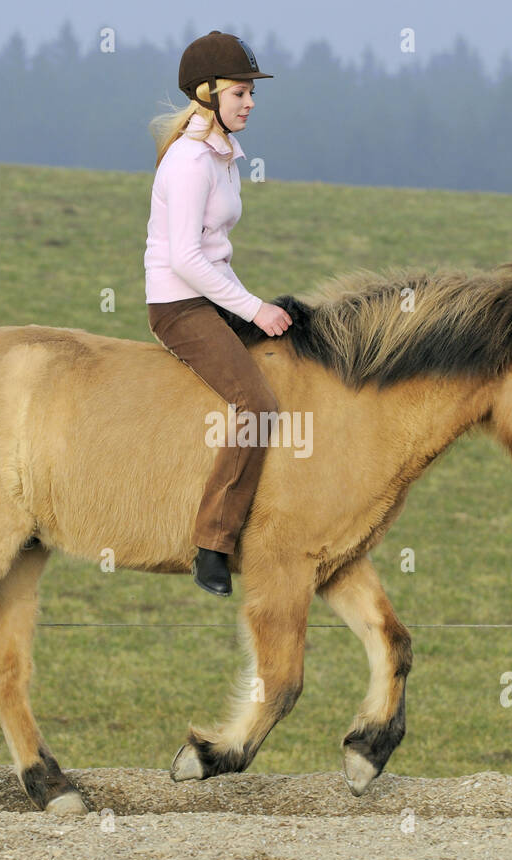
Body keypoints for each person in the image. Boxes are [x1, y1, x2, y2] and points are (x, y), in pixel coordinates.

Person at [145, 31, 291, 598]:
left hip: (211, 293)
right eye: (239, 92)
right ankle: (213, 543)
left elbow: (214, 253)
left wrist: (256, 309)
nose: (250, 101)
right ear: (206, 94)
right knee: (255, 402)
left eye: (251, 92)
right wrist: (252, 307)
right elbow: (183, 258)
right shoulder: (189, 161)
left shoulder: (223, 155)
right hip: (180, 305)